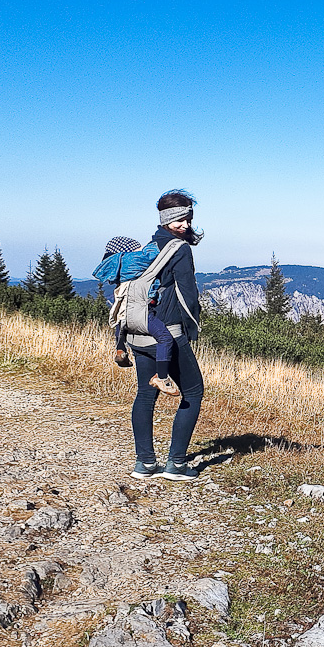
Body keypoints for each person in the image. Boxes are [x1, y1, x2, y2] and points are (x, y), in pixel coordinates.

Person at [127, 190, 205, 481]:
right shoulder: (180, 249)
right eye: (180, 219)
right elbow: (188, 294)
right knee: (194, 391)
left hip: (139, 331)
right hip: (169, 331)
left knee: (146, 394)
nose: (185, 224)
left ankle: (145, 464)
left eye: (188, 218)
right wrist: (192, 325)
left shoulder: (147, 247)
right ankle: (176, 464)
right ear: (167, 219)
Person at [92, 236, 180, 396]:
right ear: (128, 252)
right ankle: (161, 377)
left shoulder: (118, 267)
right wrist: (152, 244)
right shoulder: (132, 262)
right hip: (140, 310)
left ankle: (120, 350)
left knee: (121, 322)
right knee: (165, 338)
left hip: (125, 307)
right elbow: (152, 254)